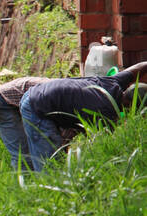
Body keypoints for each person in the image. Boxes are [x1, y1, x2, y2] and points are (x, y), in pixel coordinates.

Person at [18, 65, 147, 171]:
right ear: (131, 105)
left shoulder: (113, 82)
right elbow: (100, 145)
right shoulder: (106, 111)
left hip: (37, 94)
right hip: (36, 106)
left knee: (58, 154)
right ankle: (46, 196)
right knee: (49, 165)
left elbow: (136, 68)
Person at [0, 75, 49, 170]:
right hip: (1, 101)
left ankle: (36, 177)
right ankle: (26, 182)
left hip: (16, 99)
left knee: (34, 145)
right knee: (21, 151)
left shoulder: (64, 90)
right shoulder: (59, 94)